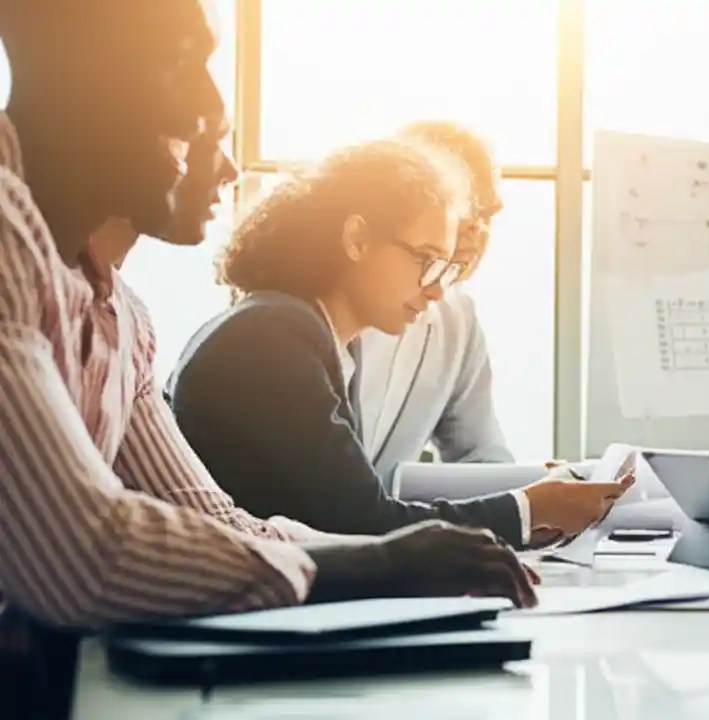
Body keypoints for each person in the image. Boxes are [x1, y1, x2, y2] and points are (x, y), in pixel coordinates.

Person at [0, 2, 536, 715]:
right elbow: (83, 556)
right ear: (74, 68)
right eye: (179, 62)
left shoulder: (119, 309)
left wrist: (405, 555)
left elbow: (217, 518)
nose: (207, 108)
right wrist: (381, 561)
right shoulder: (9, 245)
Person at [166, 138, 630, 544]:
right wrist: (529, 510)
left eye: (446, 269)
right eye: (426, 260)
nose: (436, 289)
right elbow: (362, 522)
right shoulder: (273, 337)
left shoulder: (295, 329)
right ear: (357, 238)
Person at [359, 121, 513, 476]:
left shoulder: (457, 320)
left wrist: (536, 496)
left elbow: (481, 454)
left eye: (488, 214)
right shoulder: (333, 310)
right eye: (465, 207)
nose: (478, 231)